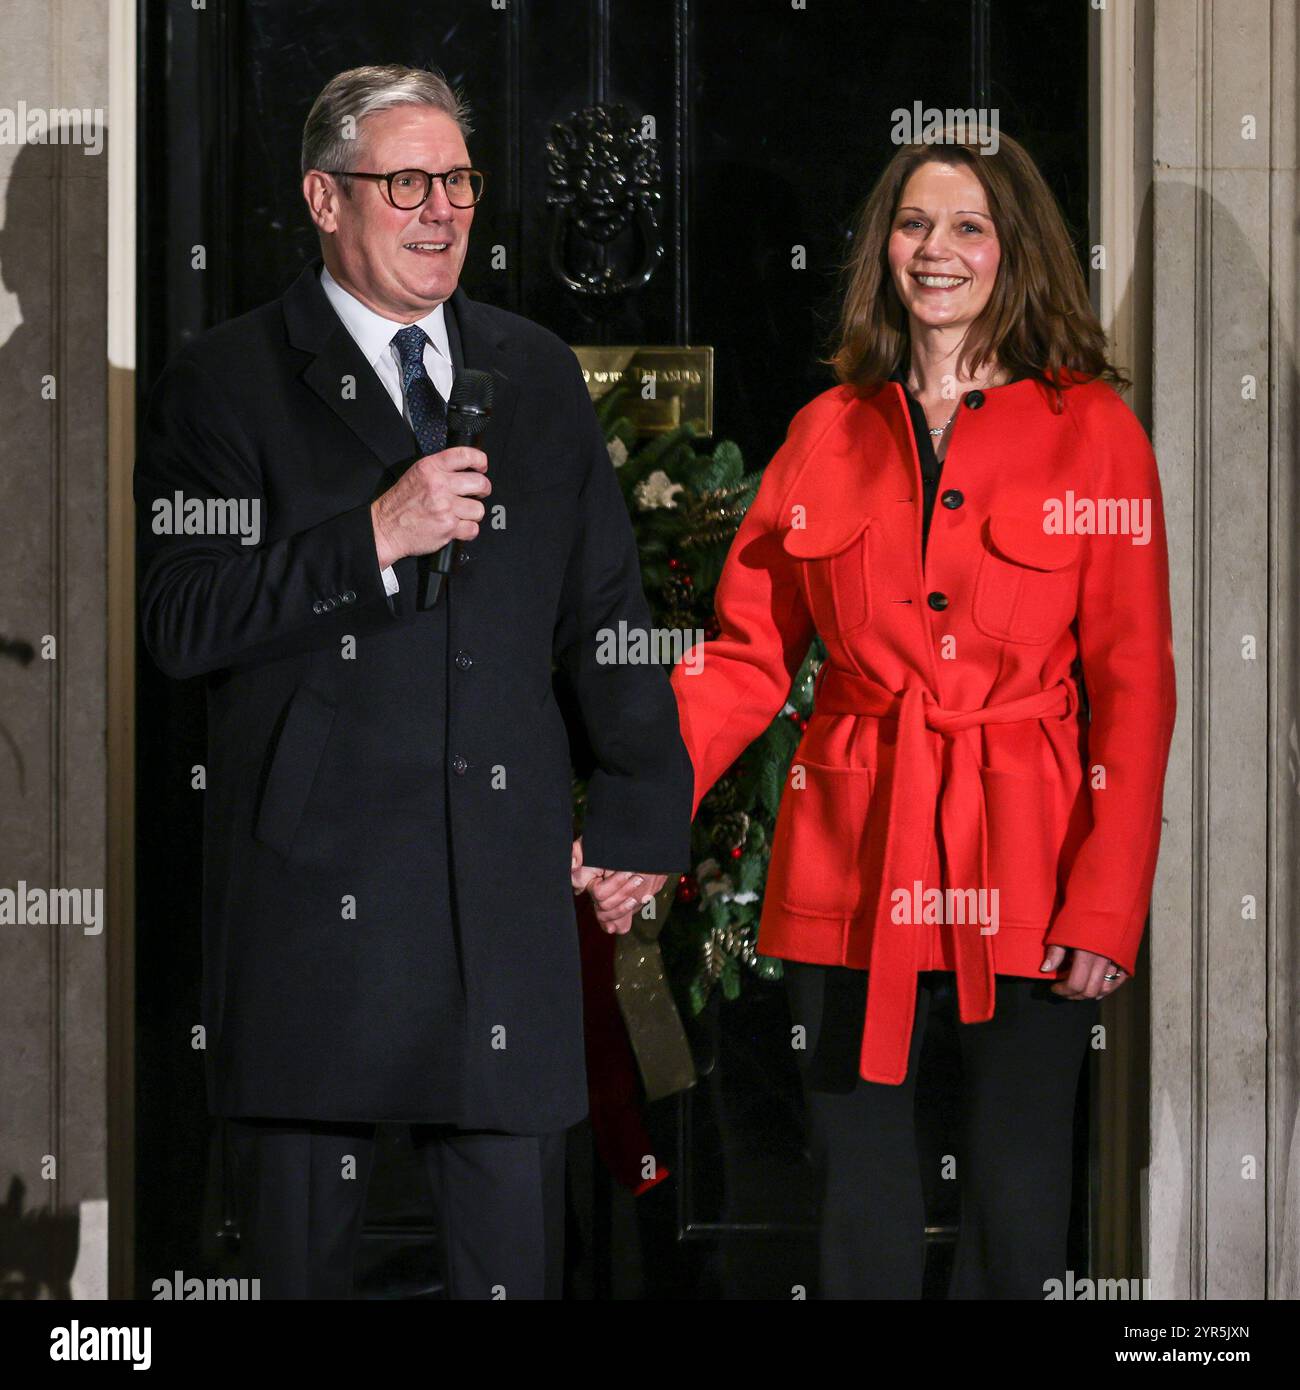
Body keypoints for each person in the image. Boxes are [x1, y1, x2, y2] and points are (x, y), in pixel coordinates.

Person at [134, 63, 692, 1300]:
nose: (440, 210)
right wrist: (371, 534)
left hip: (497, 897)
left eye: (457, 181)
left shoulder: (532, 371)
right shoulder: (225, 380)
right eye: (405, 182)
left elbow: (605, 609)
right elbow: (180, 618)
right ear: (324, 200)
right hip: (310, 907)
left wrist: (643, 808)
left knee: (510, 1265)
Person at [667, 130, 1176, 1298]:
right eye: (911, 225)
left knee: (1014, 1195)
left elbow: (1136, 685)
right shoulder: (822, 430)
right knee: (859, 1201)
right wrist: (645, 809)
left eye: (966, 227)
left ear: (1015, 252)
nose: (932, 250)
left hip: (1035, 865)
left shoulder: (1094, 434)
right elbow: (745, 659)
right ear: (879, 252)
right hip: (848, 860)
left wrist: (1105, 903)